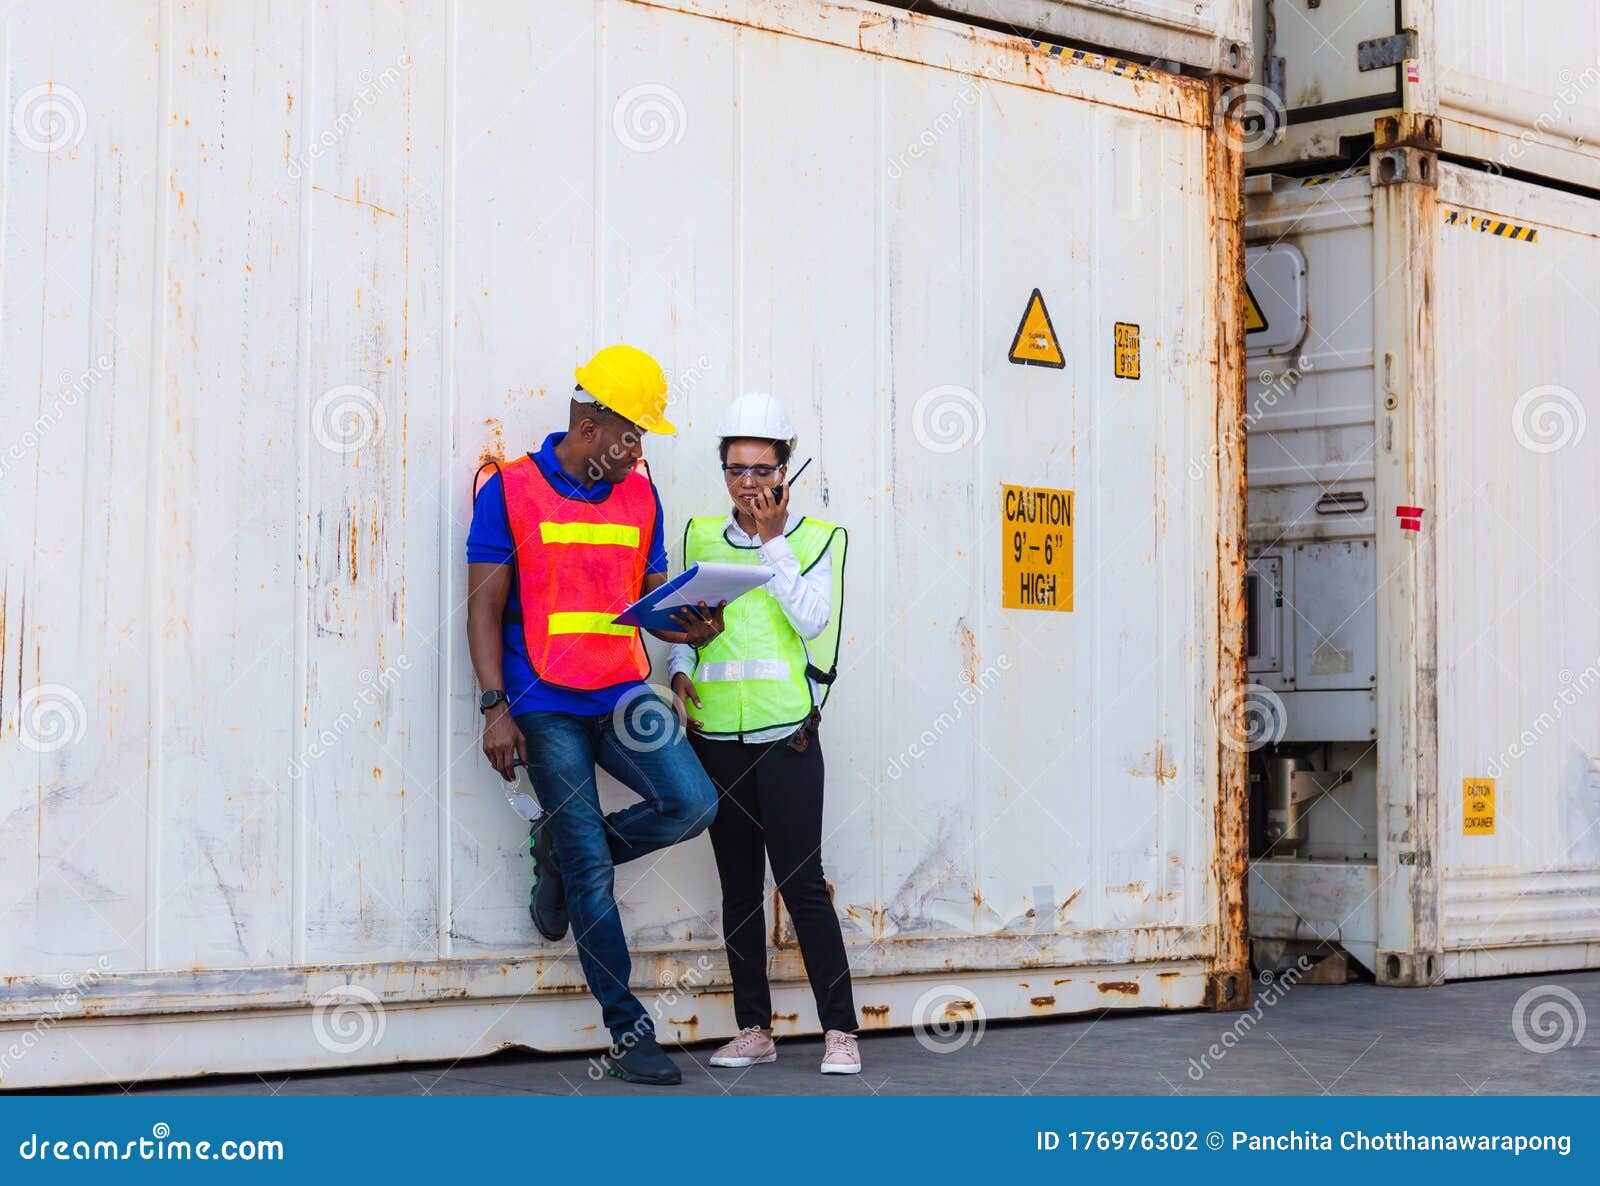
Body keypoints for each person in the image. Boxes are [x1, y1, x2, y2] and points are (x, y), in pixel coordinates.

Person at [466, 344, 722, 1086]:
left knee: (693, 803)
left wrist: (690, 628)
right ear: (589, 420)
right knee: (592, 871)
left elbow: (654, 600)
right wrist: (494, 707)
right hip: (542, 704)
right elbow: (482, 607)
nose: (638, 448)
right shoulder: (510, 489)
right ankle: (628, 1027)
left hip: (620, 695)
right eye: (631, 432)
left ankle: (564, 856)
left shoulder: (641, 494)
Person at [668, 392, 861, 1075]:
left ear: (787, 469)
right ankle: (754, 1027)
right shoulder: (697, 536)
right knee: (737, 887)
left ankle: (841, 1033)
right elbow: (684, 620)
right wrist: (682, 664)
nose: (748, 483)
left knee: (803, 884)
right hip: (716, 737)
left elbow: (812, 621)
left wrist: (774, 543)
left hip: (787, 738)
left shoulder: (818, 541)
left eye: (761, 469)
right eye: (735, 469)